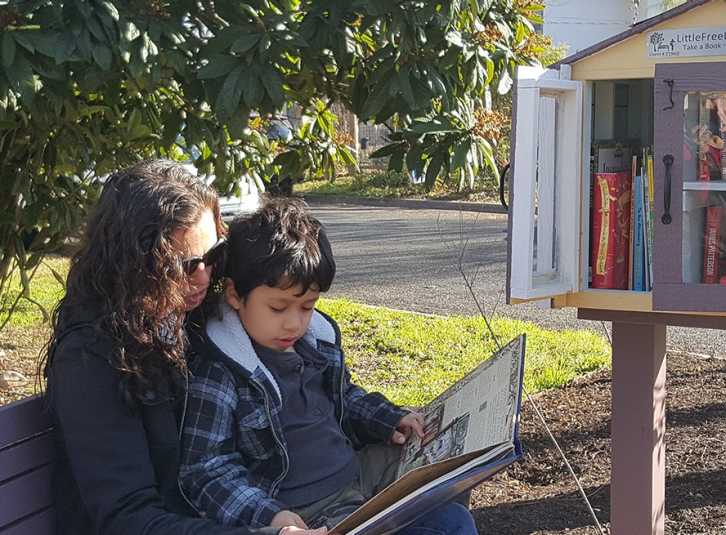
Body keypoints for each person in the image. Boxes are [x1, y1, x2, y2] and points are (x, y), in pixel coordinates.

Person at [43, 159, 321, 535]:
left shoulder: (189, 314)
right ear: (135, 263)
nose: (204, 276)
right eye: (182, 265)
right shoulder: (90, 358)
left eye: (213, 256)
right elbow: (127, 517)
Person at [178, 197, 478, 534]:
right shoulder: (220, 369)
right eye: (278, 308)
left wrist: (389, 418)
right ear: (235, 295)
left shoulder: (315, 343)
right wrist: (271, 518)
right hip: (307, 514)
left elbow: (344, 396)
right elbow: (205, 470)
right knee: (452, 524)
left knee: (452, 471)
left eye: (307, 307)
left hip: (360, 473)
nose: (294, 324)